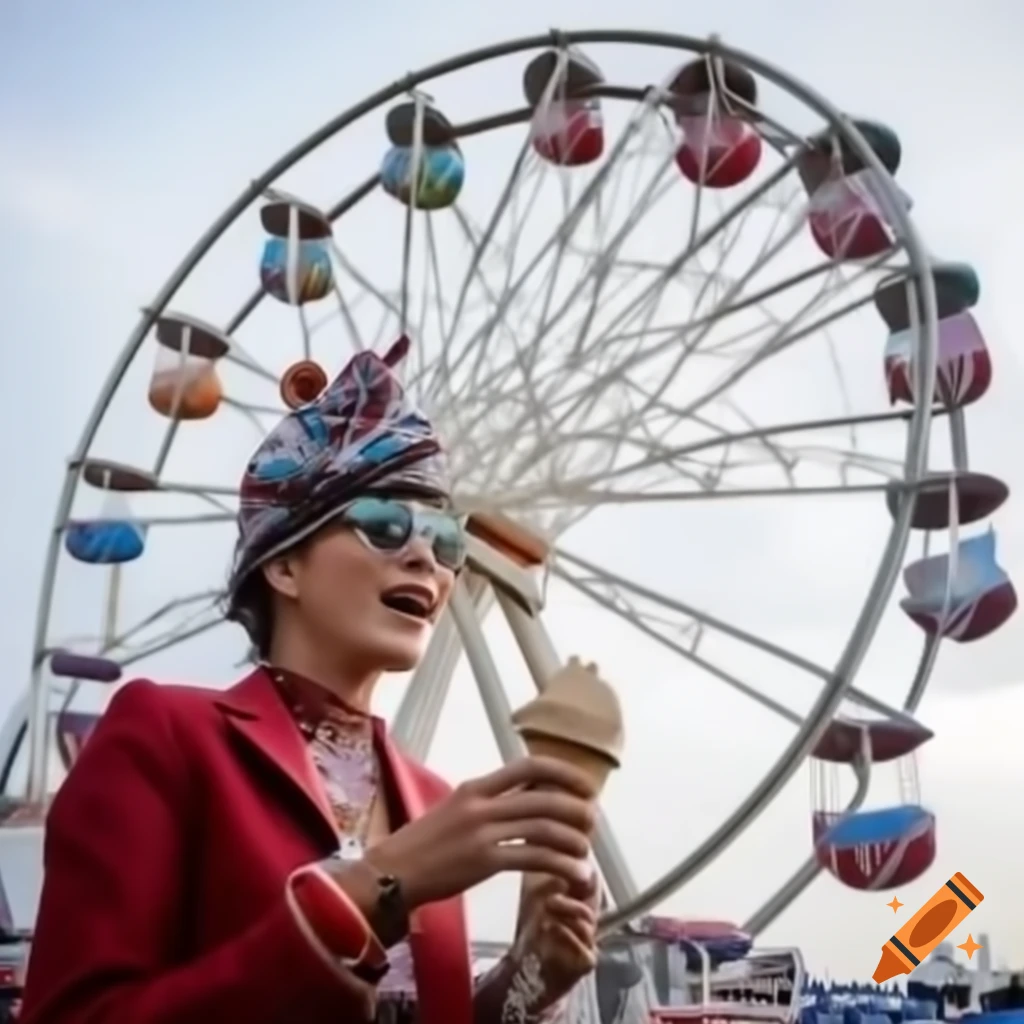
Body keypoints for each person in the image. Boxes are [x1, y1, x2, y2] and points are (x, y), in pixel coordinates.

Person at [21, 340, 602, 1024]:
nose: (428, 560)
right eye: (384, 525)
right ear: (283, 567)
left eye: (446, 541)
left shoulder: (434, 800)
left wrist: (527, 980)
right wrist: (372, 891)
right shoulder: (166, 735)